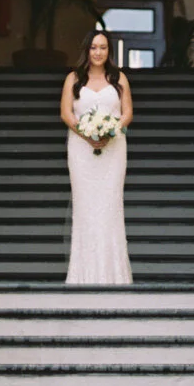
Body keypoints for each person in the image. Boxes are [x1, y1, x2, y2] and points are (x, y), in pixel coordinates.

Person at [60, 30, 133, 285]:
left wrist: (111, 130)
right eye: (93, 47)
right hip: (81, 150)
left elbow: (127, 113)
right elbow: (67, 114)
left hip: (113, 150)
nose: (98, 52)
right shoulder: (73, 78)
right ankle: (83, 275)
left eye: (103, 47)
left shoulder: (119, 78)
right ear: (87, 50)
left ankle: (115, 275)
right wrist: (87, 134)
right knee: (86, 209)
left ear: (108, 51)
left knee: (110, 207)